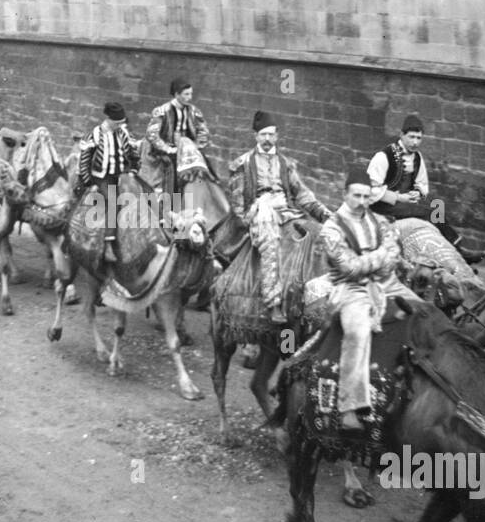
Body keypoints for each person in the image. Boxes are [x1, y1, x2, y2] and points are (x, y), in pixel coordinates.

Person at [321, 173, 420, 431]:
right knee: (357, 331)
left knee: (424, 312)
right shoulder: (332, 228)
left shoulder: (376, 220)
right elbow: (350, 268)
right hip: (349, 289)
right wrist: (381, 255)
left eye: (366, 196)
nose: (362, 201)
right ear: (344, 194)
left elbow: (394, 253)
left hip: (384, 284)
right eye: (356, 195)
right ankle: (349, 407)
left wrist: (380, 258)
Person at [227, 111, 332, 323]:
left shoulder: (286, 163)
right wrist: (246, 222)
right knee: (270, 238)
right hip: (259, 210)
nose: (267, 139)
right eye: (263, 134)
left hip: (286, 210)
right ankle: (272, 301)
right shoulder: (243, 163)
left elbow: (301, 193)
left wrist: (324, 214)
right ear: (255, 136)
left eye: (271, 135)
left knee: (318, 236)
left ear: (277, 136)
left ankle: (316, 297)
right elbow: (238, 202)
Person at [368, 114, 484, 263]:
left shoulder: (417, 157)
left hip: (405, 202)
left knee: (438, 206)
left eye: (419, 138)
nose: (415, 142)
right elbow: (370, 189)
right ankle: (458, 252)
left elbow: (422, 184)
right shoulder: (384, 157)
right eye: (411, 137)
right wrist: (397, 197)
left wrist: (417, 192)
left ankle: (455, 247)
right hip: (384, 205)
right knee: (430, 215)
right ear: (401, 135)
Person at [75, 101, 142, 265]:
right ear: (109, 119)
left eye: (122, 122)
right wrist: (88, 182)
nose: (120, 125)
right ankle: (108, 245)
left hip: (120, 176)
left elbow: (134, 154)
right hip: (101, 177)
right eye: (117, 122)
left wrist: (133, 170)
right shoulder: (95, 135)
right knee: (113, 202)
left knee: (141, 197)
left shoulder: (123, 133)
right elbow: (84, 160)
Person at [146, 77, 211, 194]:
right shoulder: (162, 111)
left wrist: (196, 146)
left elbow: (203, 131)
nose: (190, 97)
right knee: (170, 172)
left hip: (188, 149)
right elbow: (152, 134)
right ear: (176, 94)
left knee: (204, 168)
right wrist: (167, 149)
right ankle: (168, 201)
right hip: (167, 151)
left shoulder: (193, 111)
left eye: (190, 94)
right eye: (186, 94)